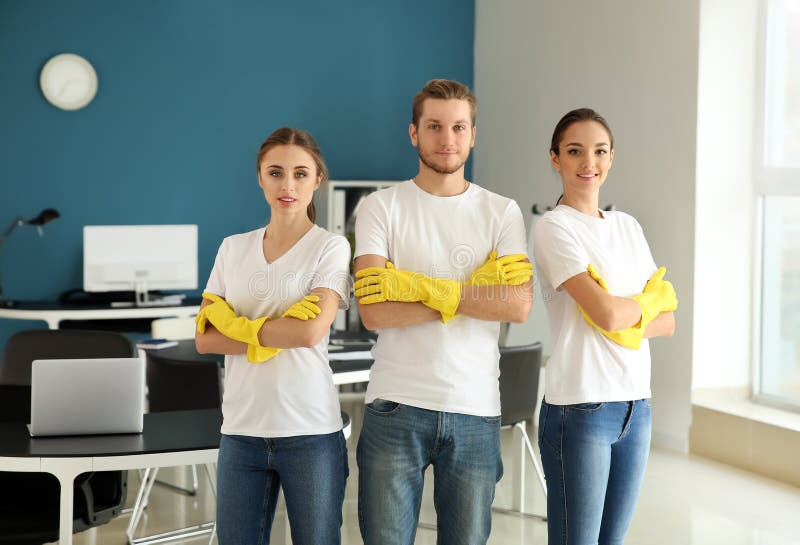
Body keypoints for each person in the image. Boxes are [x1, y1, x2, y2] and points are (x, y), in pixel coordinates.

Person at [353, 78, 534, 545]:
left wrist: (413, 287)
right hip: (396, 404)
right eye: (434, 126)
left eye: (458, 127)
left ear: (473, 134)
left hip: (475, 408)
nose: (446, 139)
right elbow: (374, 312)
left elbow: (517, 304)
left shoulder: (502, 212)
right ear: (413, 133)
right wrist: (473, 294)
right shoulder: (380, 208)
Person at [194, 127, 351, 545]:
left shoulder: (331, 248)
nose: (288, 185)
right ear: (260, 177)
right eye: (276, 172)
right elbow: (206, 338)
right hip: (241, 431)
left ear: (318, 179)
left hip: (310, 432)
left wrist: (237, 325)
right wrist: (277, 330)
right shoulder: (233, 248)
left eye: (301, 174)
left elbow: (309, 332)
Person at [533, 108, 678, 545]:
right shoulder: (554, 228)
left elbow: (668, 320)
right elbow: (608, 315)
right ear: (555, 158)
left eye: (598, 151)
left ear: (611, 158)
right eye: (574, 151)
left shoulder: (628, 226)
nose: (587, 163)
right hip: (581, 409)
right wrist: (641, 308)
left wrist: (623, 315)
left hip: (637, 407)